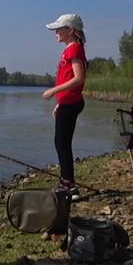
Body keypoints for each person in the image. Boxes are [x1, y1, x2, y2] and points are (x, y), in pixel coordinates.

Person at [41, 14, 87, 196]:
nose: (56, 33)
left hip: (71, 103)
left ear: (70, 31)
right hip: (67, 103)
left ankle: (69, 186)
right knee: (61, 142)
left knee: (62, 143)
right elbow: (68, 78)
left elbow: (79, 78)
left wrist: (53, 91)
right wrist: (59, 103)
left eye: (58, 29)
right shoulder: (69, 49)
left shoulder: (74, 48)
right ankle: (66, 182)